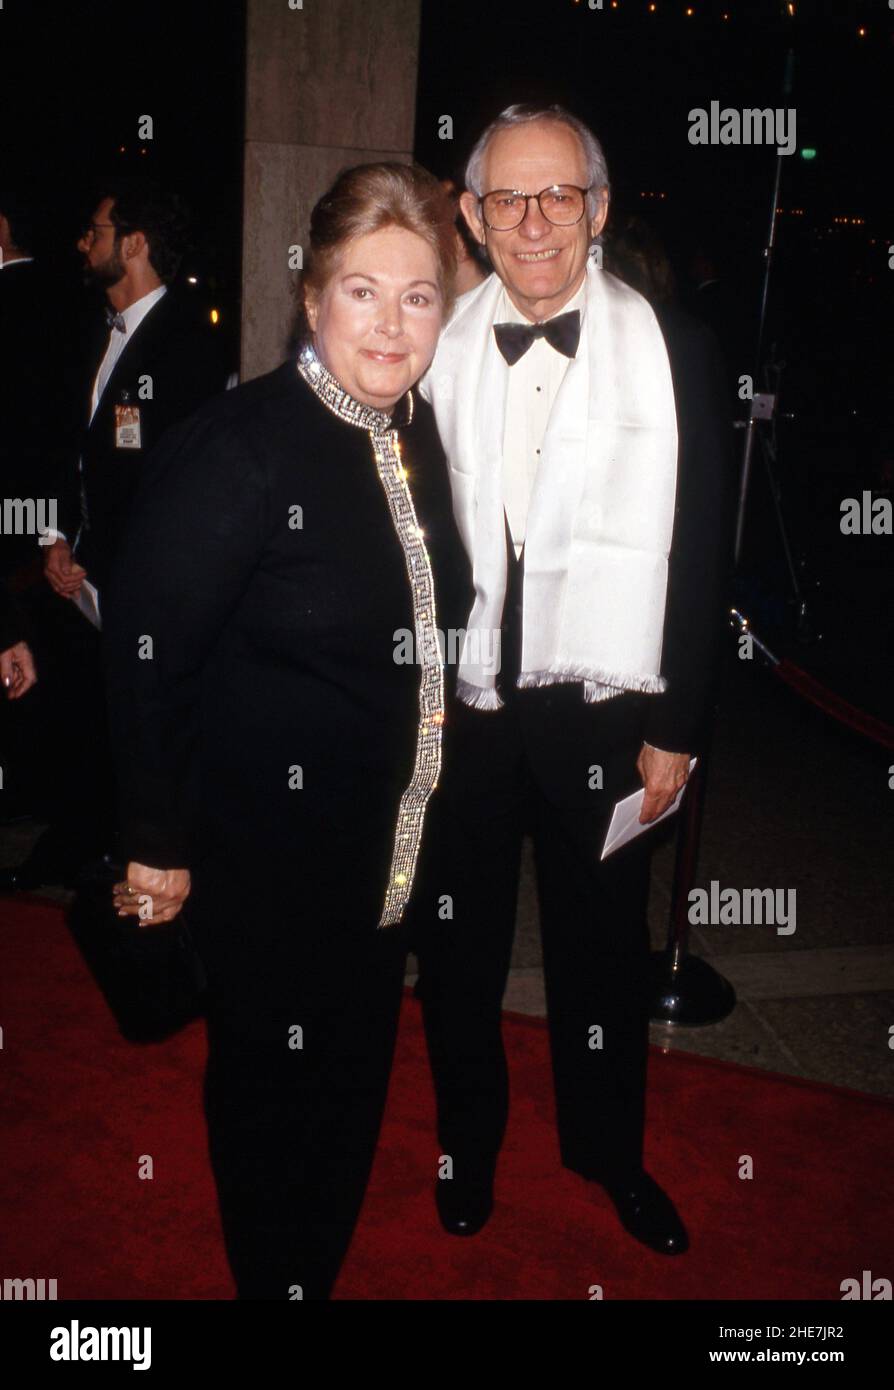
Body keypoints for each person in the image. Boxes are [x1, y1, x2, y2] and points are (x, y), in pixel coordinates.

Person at [102, 162, 470, 1299]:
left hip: (381, 863)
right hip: (267, 865)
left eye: (418, 297)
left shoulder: (417, 439)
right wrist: (157, 846)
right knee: (273, 1102)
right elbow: (145, 649)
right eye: (364, 290)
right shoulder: (243, 446)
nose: (392, 322)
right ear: (312, 296)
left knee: (353, 1086)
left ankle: (311, 1268)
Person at [413, 104, 734, 1256]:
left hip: (607, 707)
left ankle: (611, 1155)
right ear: (472, 215)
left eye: (560, 195)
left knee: (603, 954)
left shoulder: (676, 350)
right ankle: (467, 1149)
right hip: (464, 708)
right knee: (456, 947)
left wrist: (679, 726)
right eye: (510, 198)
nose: (535, 220)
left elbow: (700, 553)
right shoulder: (430, 348)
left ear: (598, 209)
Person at [0, 179, 229, 892]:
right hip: (84, 573)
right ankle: (82, 842)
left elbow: (170, 486)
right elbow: (68, 454)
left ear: (133, 243)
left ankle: (140, 857)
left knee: (146, 727)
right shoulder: (91, 332)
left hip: (146, 585)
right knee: (89, 718)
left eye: (95, 231)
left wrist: (92, 558)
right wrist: (55, 538)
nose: (81, 242)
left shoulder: (189, 341)